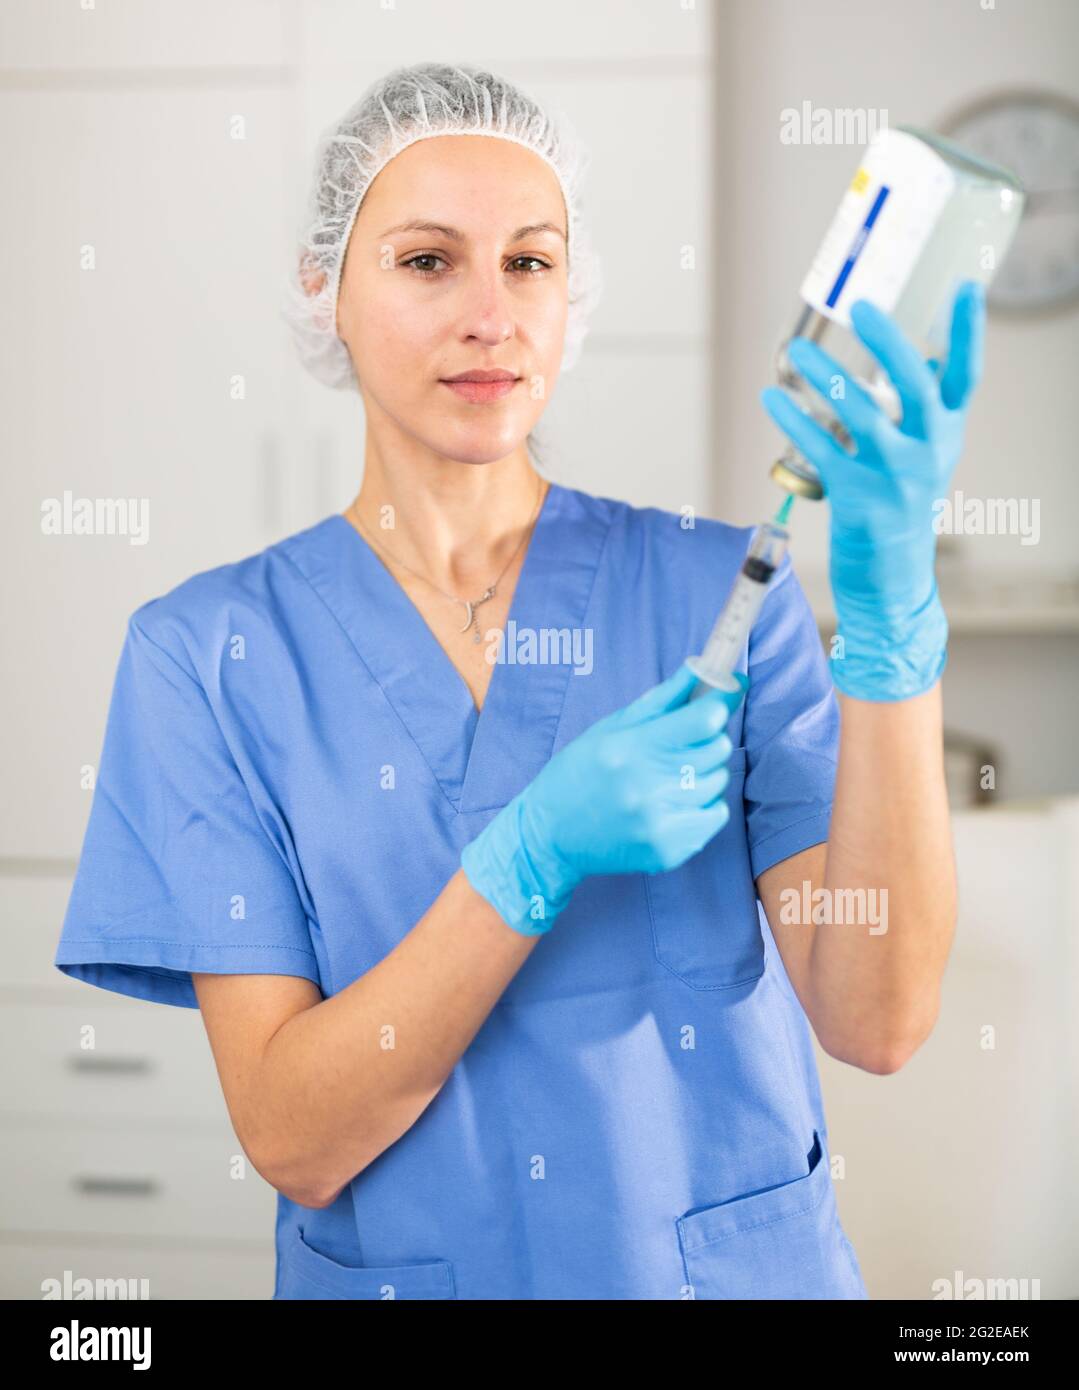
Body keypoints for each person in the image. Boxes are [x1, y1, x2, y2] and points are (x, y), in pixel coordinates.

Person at [56, 62, 980, 1301]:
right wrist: (525, 861)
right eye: (427, 261)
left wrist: (890, 629)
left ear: (569, 292)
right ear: (325, 289)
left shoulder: (726, 598)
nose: (491, 315)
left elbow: (878, 1020)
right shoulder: (208, 656)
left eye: (529, 262)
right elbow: (291, 1134)